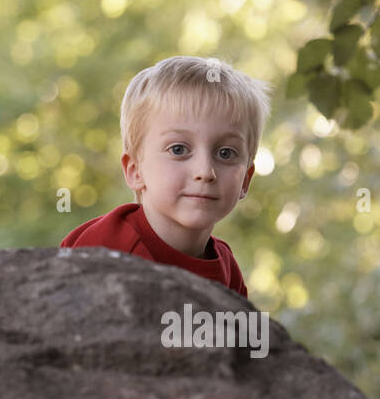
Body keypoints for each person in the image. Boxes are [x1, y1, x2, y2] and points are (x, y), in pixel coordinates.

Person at [59, 55, 272, 298]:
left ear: (245, 179)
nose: (205, 172)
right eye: (178, 149)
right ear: (135, 170)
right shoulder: (107, 248)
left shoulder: (226, 268)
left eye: (225, 153)